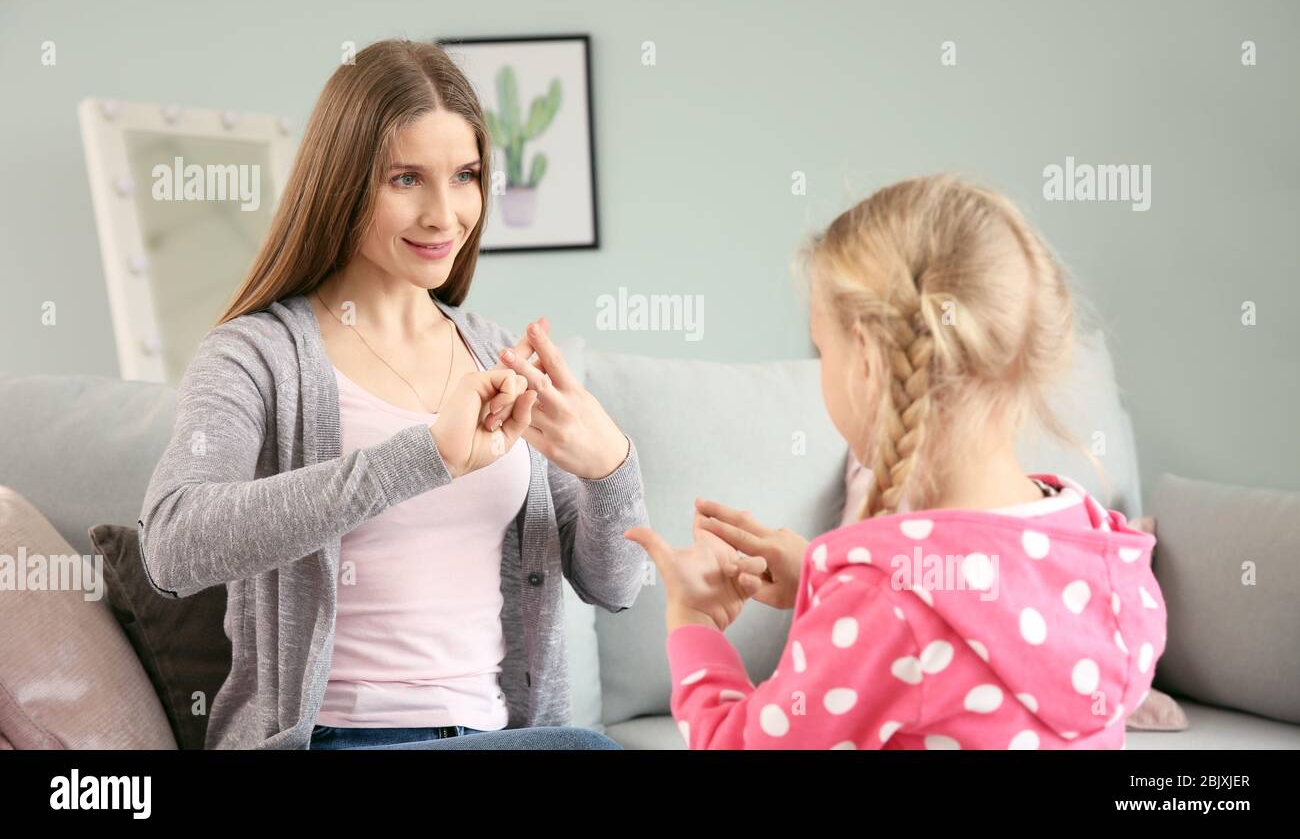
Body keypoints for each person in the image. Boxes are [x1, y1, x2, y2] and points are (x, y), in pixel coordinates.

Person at [138, 39, 647, 749]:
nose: (446, 214)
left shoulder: (494, 351)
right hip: (333, 738)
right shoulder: (257, 354)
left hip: (495, 736)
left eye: (465, 176)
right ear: (343, 183)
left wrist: (610, 468)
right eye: (406, 179)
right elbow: (172, 545)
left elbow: (617, 586)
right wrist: (422, 457)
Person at [628, 175, 1167, 749]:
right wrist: (822, 578)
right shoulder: (1101, 550)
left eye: (822, 348)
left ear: (866, 359)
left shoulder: (883, 603)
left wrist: (694, 624)